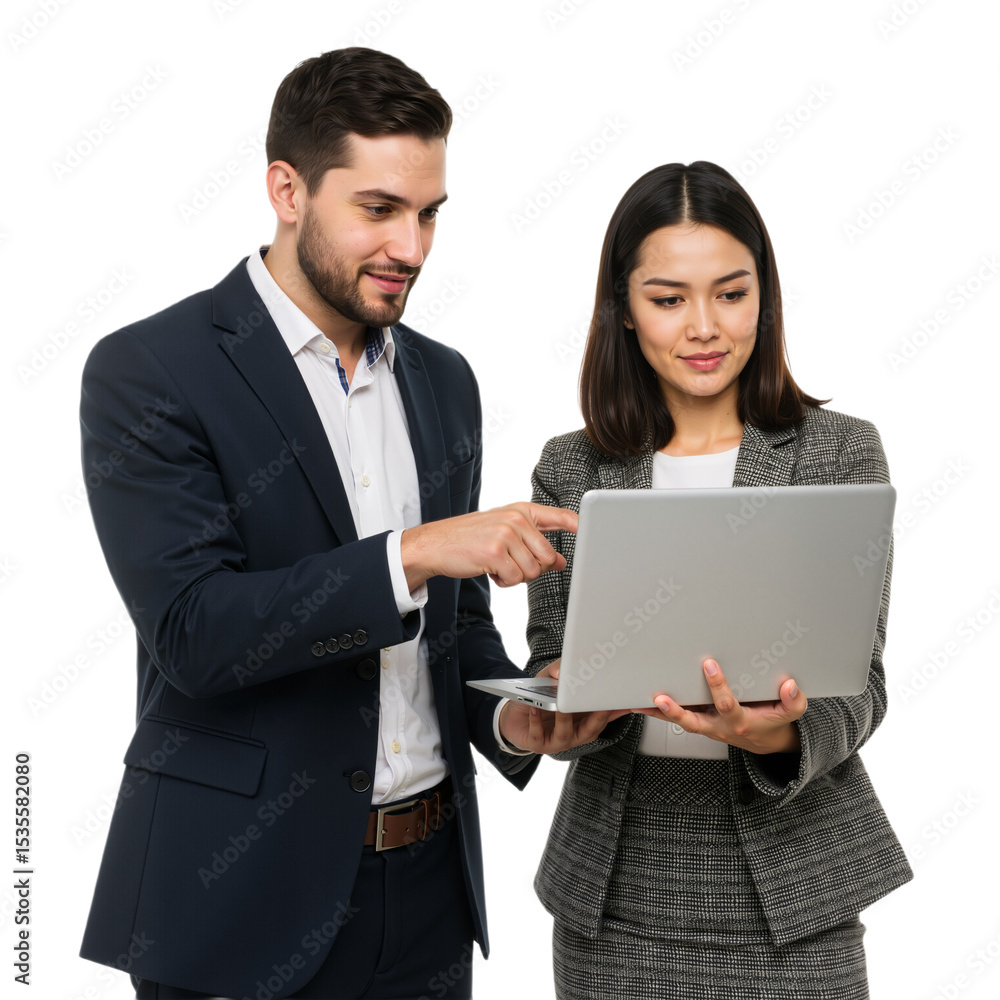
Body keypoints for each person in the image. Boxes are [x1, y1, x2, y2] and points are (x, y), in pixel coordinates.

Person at [77, 47, 619, 1000]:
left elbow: (455, 635)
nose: (411, 246)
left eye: (429, 213)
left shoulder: (443, 380)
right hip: (238, 902)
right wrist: (412, 553)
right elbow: (193, 634)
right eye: (379, 209)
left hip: (430, 897)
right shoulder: (150, 371)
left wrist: (523, 720)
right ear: (287, 190)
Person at [519, 161, 914, 999]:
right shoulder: (571, 467)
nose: (704, 327)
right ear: (623, 309)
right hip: (616, 897)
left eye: (730, 294)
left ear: (763, 298)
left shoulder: (838, 453)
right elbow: (559, 661)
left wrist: (771, 734)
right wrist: (557, 701)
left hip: (796, 894)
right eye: (668, 299)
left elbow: (861, 685)